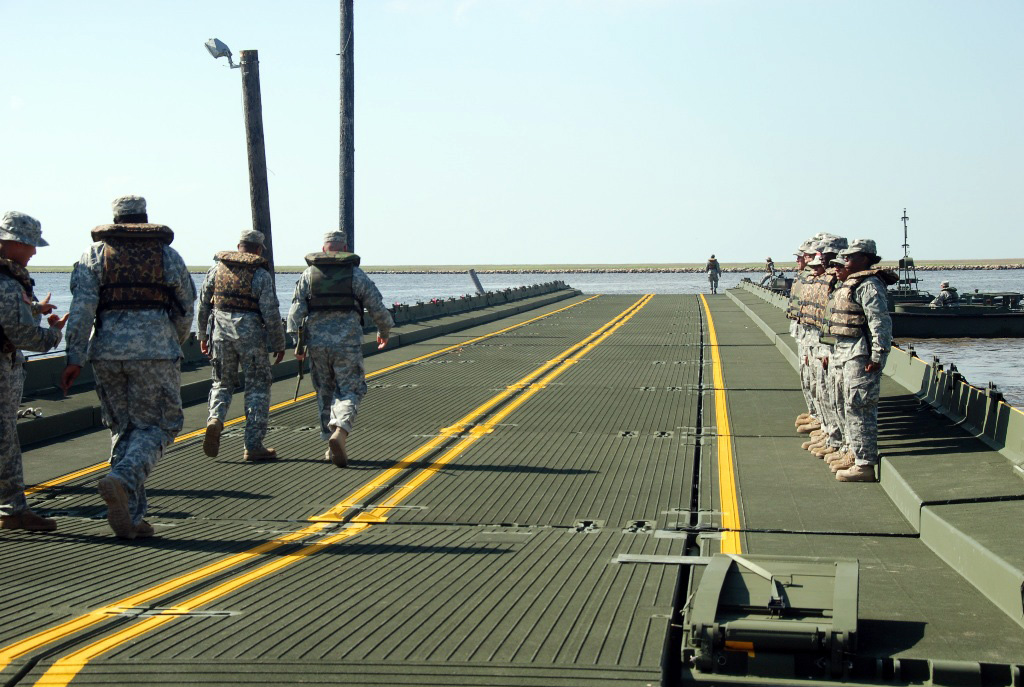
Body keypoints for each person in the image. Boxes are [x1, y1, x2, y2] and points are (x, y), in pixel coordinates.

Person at [60, 196, 196, 539]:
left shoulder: (93, 256)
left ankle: (132, 518)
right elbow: (185, 307)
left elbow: (81, 311)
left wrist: (74, 356)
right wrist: (172, 342)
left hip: (106, 352)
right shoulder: (167, 256)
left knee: (122, 427)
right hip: (155, 351)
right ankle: (121, 479)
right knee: (162, 425)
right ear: (145, 218)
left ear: (116, 220)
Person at [287, 231, 394, 467]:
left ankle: (329, 446)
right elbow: (377, 307)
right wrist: (383, 332)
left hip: (317, 344)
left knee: (324, 391)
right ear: (345, 248)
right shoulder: (356, 275)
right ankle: (341, 432)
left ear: (324, 249)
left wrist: (298, 343)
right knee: (350, 389)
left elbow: (295, 314)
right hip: (347, 343)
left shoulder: (308, 275)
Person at [0, 211, 68, 531]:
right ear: (11, 242)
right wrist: (53, 334)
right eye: (29, 245)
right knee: (5, 440)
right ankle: (13, 510)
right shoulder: (7, 283)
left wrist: (34, 310)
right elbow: (21, 334)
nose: (34, 252)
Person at [198, 230, 287, 461]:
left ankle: (215, 420)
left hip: (219, 333)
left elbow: (202, 305)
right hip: (251, 336)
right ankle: (253, 445)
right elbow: (270, 311)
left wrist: (201, 335)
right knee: (257, 386)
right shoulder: (260, 275)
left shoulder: (217, 270)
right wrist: (279, 342)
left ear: (239, 246)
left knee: (221, 382)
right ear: (258, 250)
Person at [823, 239, 898, 482]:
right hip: (846, 351)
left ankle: (864, 464)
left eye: (851, 257)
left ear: (865, 258)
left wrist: (878, 355)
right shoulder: (852, 283)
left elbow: (880, 323)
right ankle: (853, 454)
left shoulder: (869, 285)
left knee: (860, 407)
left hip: (860, 354)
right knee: (847, 405)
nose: (846, 261)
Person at [786, 237, 819, 431]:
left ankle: (826, 427)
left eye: (803, 256)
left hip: (818, 339)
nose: (799, 260)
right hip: (806, 335)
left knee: (819, 382)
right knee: (809, 378)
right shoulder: (805, 276)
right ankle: (816, 415)